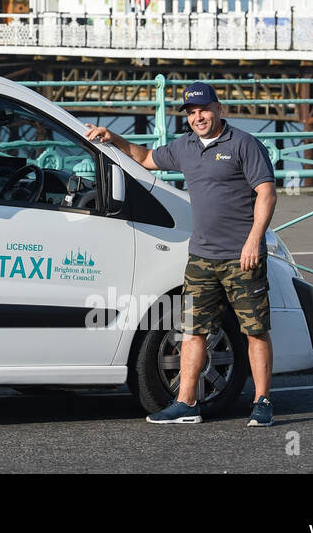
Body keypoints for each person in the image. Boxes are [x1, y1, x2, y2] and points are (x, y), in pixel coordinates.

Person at [84, 81, 277, 427]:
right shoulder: (185, 147)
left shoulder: (245, 145)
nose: (198, 117)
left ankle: (262, 401)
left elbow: (266, 193)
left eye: (203, 110)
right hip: (201, 257)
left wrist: (254, 240)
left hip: (241, 256)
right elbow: (144, 158)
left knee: (255, 329)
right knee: (192, 329)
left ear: (219, 109)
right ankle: (186, 402)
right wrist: (112, 138)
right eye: (191, 113)